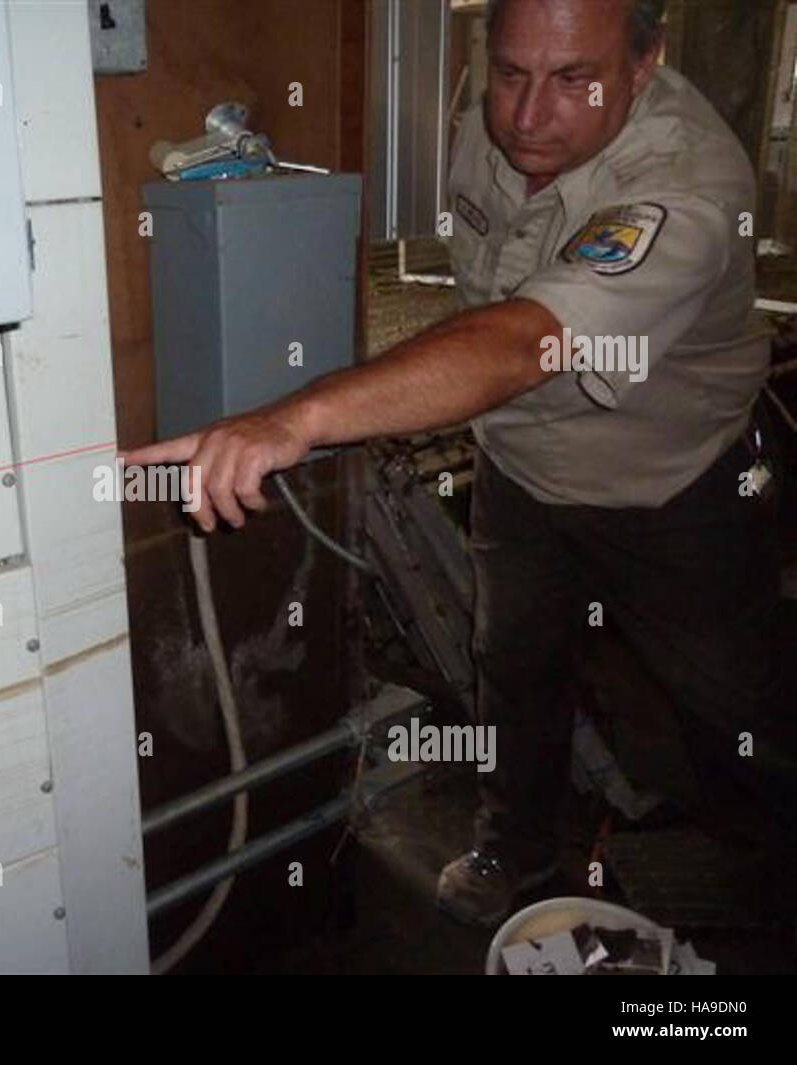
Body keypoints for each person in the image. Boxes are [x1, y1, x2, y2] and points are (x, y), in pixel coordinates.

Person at [122, 0, 793, 927]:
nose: (525, 114)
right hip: (521, 464)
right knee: (512, 665)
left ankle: (773, 876)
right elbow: (491, 299)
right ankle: (514, 846)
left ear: (645, 64)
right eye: (510, 72)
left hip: (672, 481)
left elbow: (526, 340)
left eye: (572, 79)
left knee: (735, 703)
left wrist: (298, 417)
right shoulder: (495, 118)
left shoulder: (687, 181)